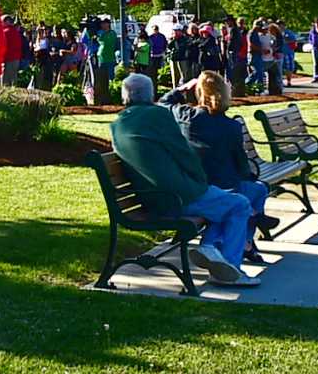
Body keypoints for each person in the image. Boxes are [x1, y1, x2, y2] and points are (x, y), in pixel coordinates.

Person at [107, 72, 257, 286]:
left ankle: (210, 248)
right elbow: (184, 154)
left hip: (148, 199)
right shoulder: (157, 116)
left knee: (223, 203)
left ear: (125, 97)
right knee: (239, 204)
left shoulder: (117, 125)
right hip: (177, 197)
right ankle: (230, 267)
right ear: (151, 94)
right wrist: (200, 181)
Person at [159, 70, 283, 254]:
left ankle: (246, 239)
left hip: (200, 182)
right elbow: (240, 162)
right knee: (244, 195)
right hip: (218, 186)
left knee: (258, 190)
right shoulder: (231, 126)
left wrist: (182, 88)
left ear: (199, 93)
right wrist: (249, 176)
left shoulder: (188, 117)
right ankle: (232, 237)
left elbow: (163, 103)